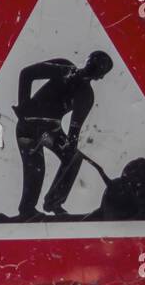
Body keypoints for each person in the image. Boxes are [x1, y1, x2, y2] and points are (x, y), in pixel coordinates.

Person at [13, 50, 113, 217]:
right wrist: (24, 105)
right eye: (94, 65)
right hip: (29, 126)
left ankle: (53, 202)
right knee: (36, 167)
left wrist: (71, 146)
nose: (93, 70)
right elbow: (26, 74)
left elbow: (75, 131)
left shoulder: (85, 95)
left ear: (99, 76)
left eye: (97, 69)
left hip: (49, 132)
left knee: (72, 158)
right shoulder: (64, 67)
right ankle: (28, 209)